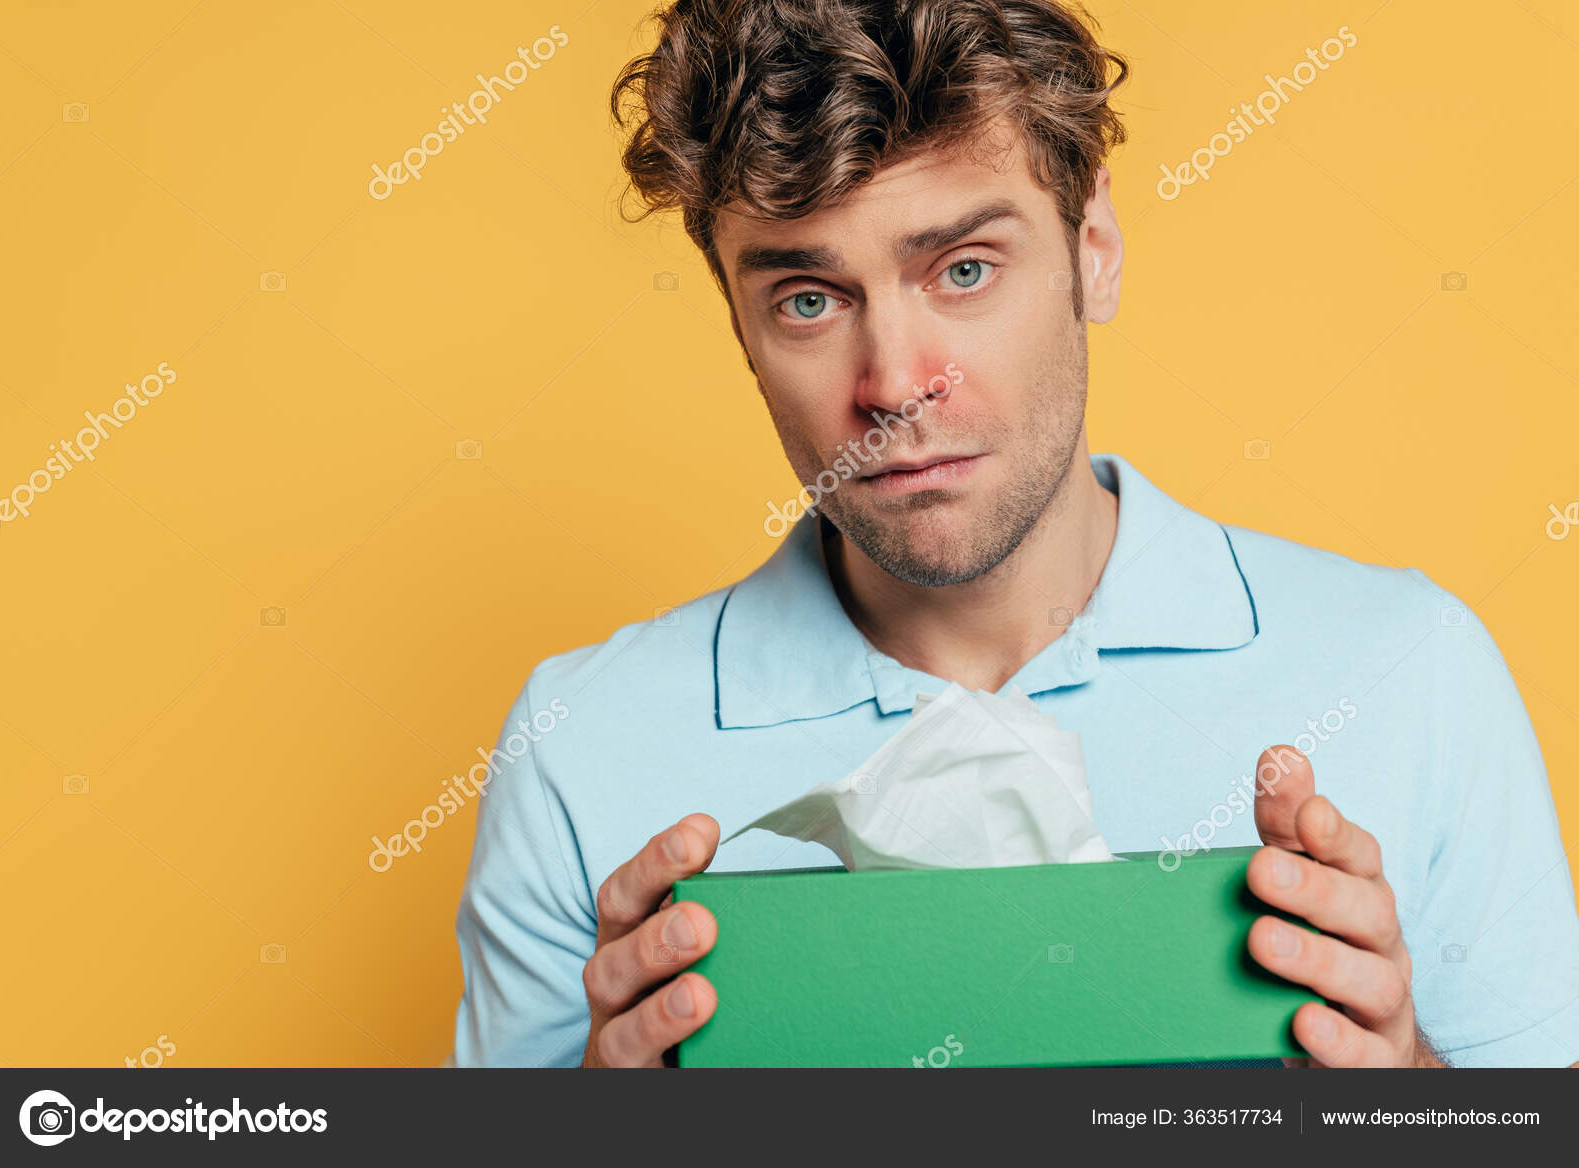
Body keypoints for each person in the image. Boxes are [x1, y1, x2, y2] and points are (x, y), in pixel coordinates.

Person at [450, 0, 1579, 1068]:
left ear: (1094, 249)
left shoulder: (1411, 669)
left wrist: (1405, 1089)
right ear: (741, 332)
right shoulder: (574, 747)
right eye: (807, 299)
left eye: (964, 270)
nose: (895, 385)